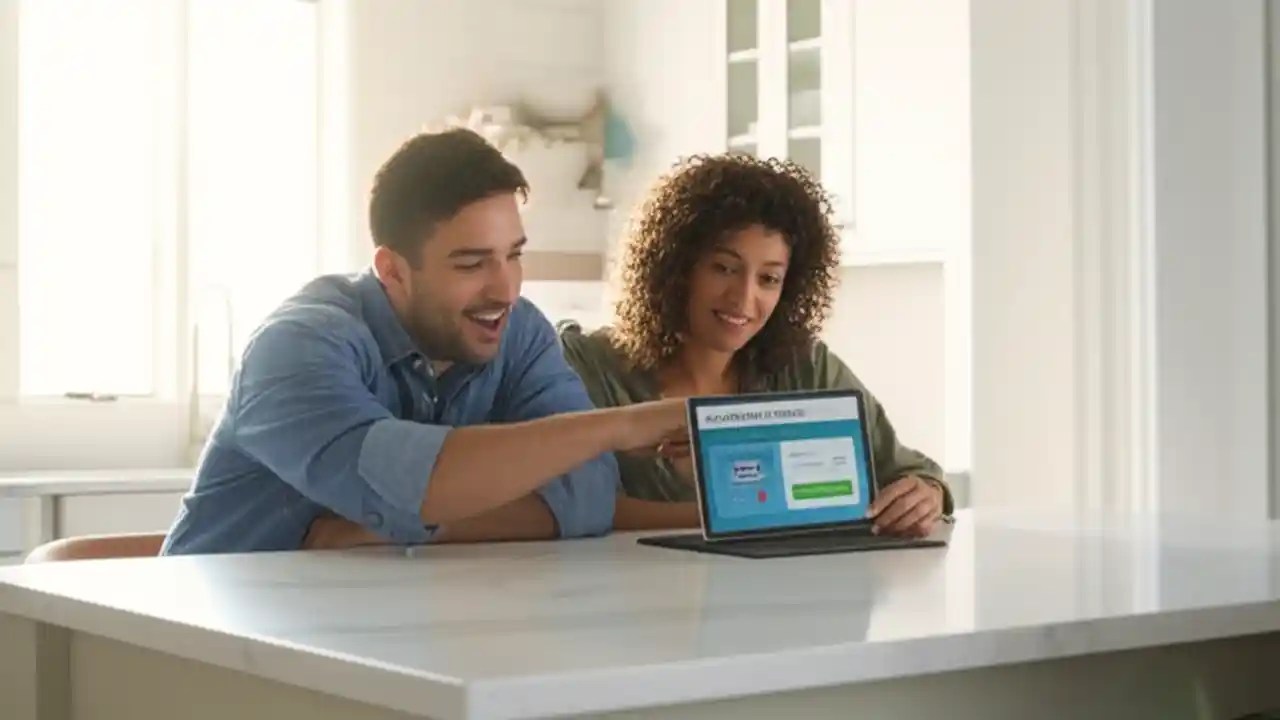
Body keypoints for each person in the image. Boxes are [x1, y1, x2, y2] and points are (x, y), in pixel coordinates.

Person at [161, 129, 686, 555]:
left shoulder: (520, 332)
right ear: (392, 270)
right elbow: (414, 487)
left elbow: (589, 495)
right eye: (472, 263)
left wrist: (395, 531)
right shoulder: (298, 346)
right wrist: (621, 424)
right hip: (197, 646)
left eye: (514, 255)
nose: (505, 288)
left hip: (364, 629)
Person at [559, 153, 953, 537]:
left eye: (768, 279)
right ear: (676, 268)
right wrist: (729, 518)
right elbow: (563, 506)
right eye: (725, 269)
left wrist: (925, 493)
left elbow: (907, 470)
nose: (743, 299)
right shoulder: (586, 367)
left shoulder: (806, 368)